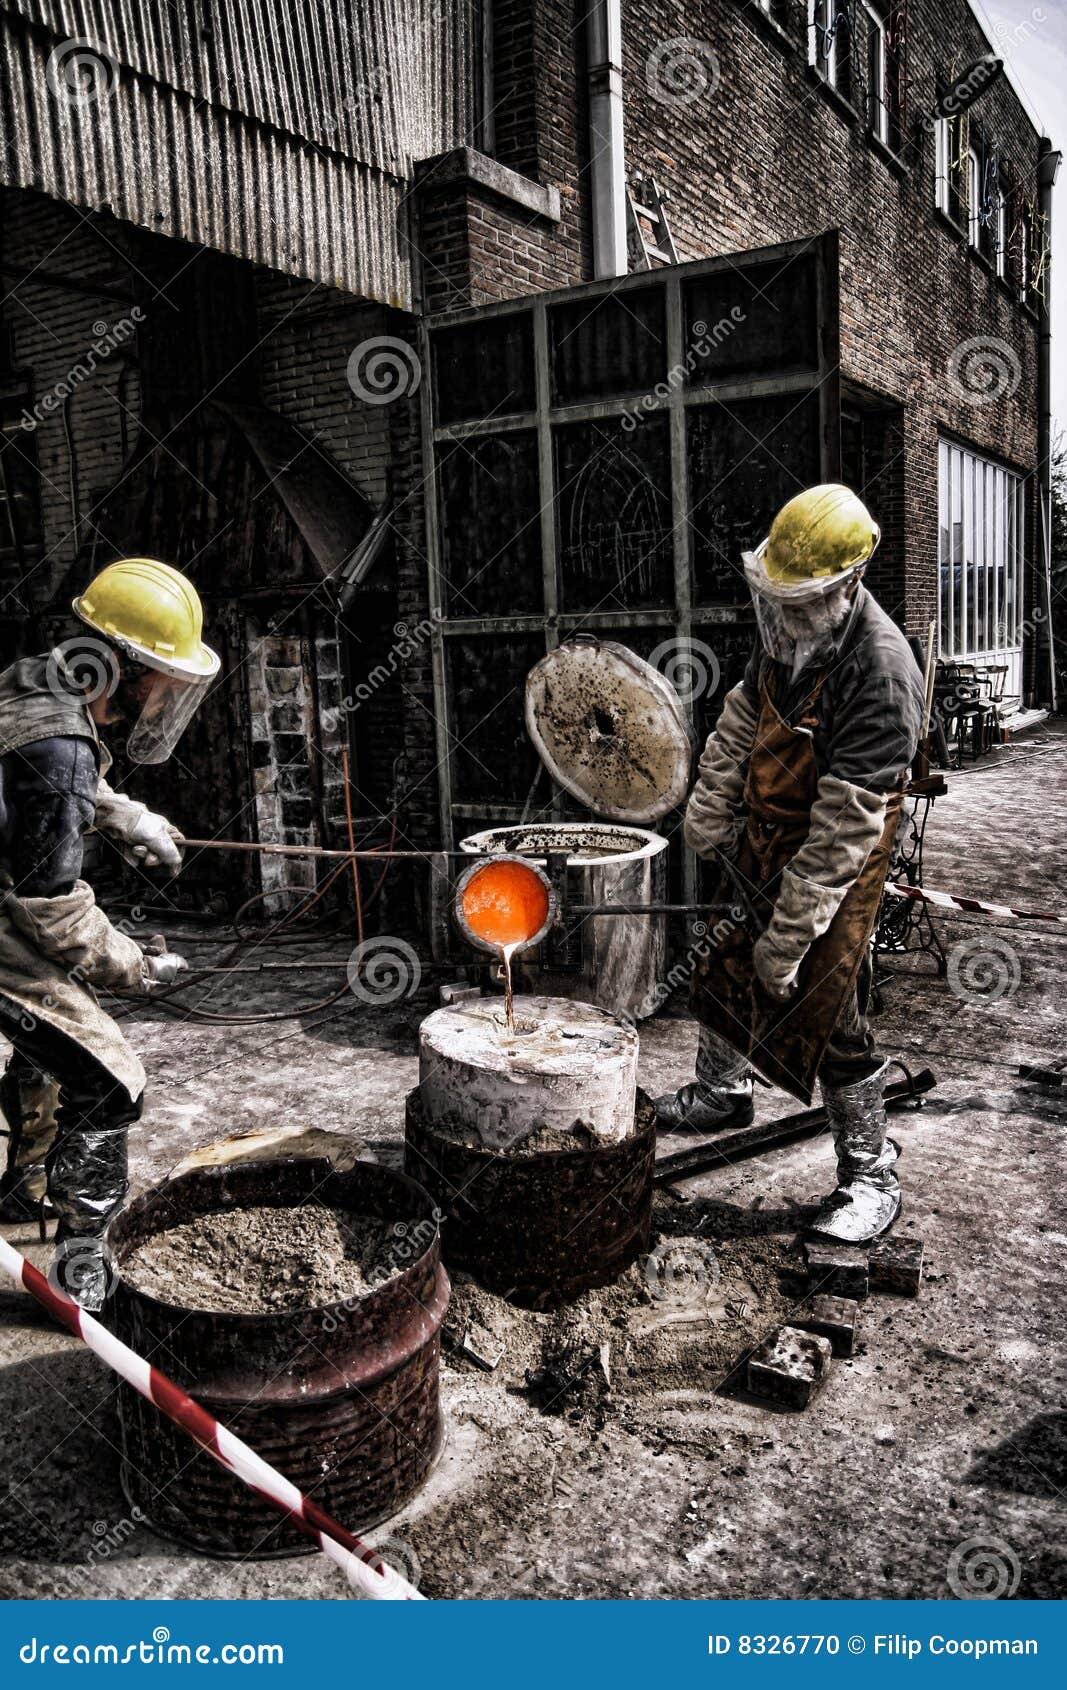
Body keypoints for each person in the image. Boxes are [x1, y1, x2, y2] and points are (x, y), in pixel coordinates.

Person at [656, 485, 926, 1243]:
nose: (781, 616)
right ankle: (722, 1092)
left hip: (840, 847)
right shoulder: (790, 623)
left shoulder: (880, 672)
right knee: (722, 956)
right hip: (771, 826)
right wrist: (712, 797)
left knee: (826, 1007)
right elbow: (745, 711)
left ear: (848, 584)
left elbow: (842, 830)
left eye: (798, 602)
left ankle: (870, 1173)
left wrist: (789, 937)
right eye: (774, 599)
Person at [0, 557, 219, 1308]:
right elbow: (52, 910)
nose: (163, 696)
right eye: (161, 678)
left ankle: (24, 1183)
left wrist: (131, 817)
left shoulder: (40, 676)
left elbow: (57, 775)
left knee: (46, 1046)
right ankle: (81, 1272)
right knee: (108, 1078)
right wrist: (136, 965)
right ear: (121, 667)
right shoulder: (59, 746)